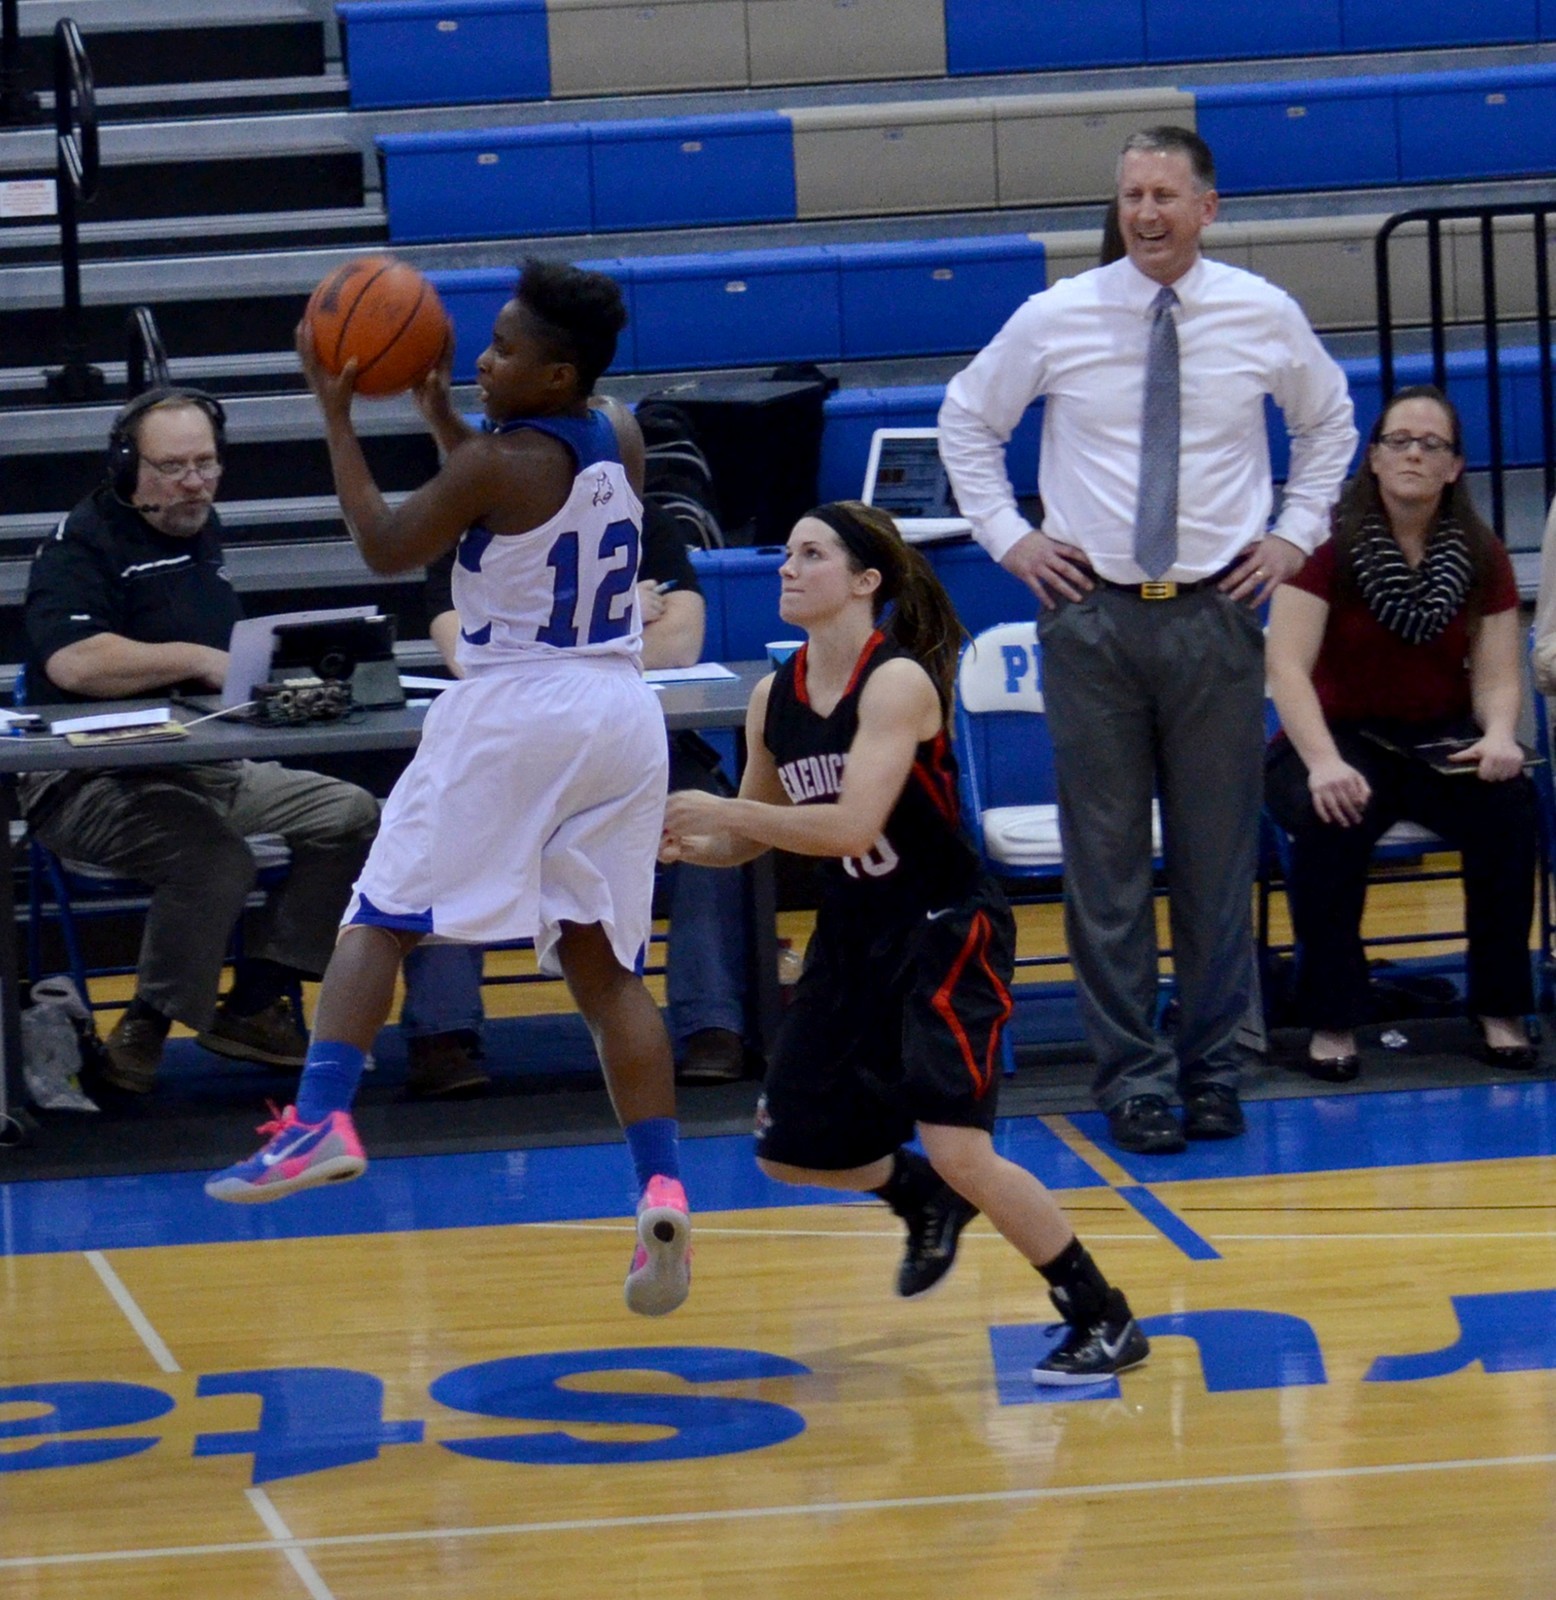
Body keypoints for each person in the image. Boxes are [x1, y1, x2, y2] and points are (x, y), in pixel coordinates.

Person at [208, 259, 694, 1319]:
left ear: (556, 372)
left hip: (519, 708)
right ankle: (660, 1181)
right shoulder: (614, 430)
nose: (481, 357)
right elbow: (512, 495)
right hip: (619, 707)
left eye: (505, 349)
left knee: (379, 912)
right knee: (604, 965)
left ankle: (321, 1119)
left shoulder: (503, 461)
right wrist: (436, 409)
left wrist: (334, 412)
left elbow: (388, 545)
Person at [660, 500, 1149, 1384]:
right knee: (789, 1148)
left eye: (811, 555)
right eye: (786, 553)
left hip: (940, 927)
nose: (787, 568)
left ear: (864, 581)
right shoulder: (774, 697)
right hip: (852, 933)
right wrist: (698, 842)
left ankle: (1101, 1313)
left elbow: (849, 826)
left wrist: (725, 809)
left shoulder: (898, 684)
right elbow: (763, 830)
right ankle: (917, 1195)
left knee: (961, 1145)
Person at [938, 125, 1358, 1155]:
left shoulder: (1261, 313)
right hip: (1092, 620)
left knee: (1216, 862)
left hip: (1217, 612)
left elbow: (1330, 425)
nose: (1145, 213)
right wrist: (1013, 540)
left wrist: (1292, 538)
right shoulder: (1059, 315)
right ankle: (1131, 1077)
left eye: (1165, 194)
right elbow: (963, 420)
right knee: (1107, 866)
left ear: (1206, 208)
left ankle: (1214, 1069)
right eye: (1131, 195)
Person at [19, 388, 380, 1095]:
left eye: (206, 465)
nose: (194, 484)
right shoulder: (79, 545)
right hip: (90, 780)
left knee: (353, 815)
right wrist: (195, 658)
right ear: (127, 469)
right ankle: (145, 1029)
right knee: (214, 858)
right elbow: (73, 662)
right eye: (173, 467)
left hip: (204, 764)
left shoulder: (197, 530)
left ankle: (254, 1002)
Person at [398, 500, 754, 1095]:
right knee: (444, 820)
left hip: (629, 749)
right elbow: (467, 655)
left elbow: (684, 640)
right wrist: (614, 627)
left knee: (705, 813)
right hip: (514, 756)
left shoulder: (641, 521)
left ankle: (711, 1023)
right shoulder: (471, 528)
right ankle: (442, 1032)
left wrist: (542, 640)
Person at [1265, 384, 1539, 1077]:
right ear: (1375, 458)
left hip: (1436, 739)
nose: (1414, 454)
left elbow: (1499, 673)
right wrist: (1324, 761)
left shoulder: (1481, 552)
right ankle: (1332, 1019)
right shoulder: (1327, 548)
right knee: (1334, 816)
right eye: (1399, 441)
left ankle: (1500, 1007)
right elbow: (1287, 670)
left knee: (1510, 811)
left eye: (1432, 444)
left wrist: (1500, 734)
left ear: (1454, 467)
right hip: (1333, 737)